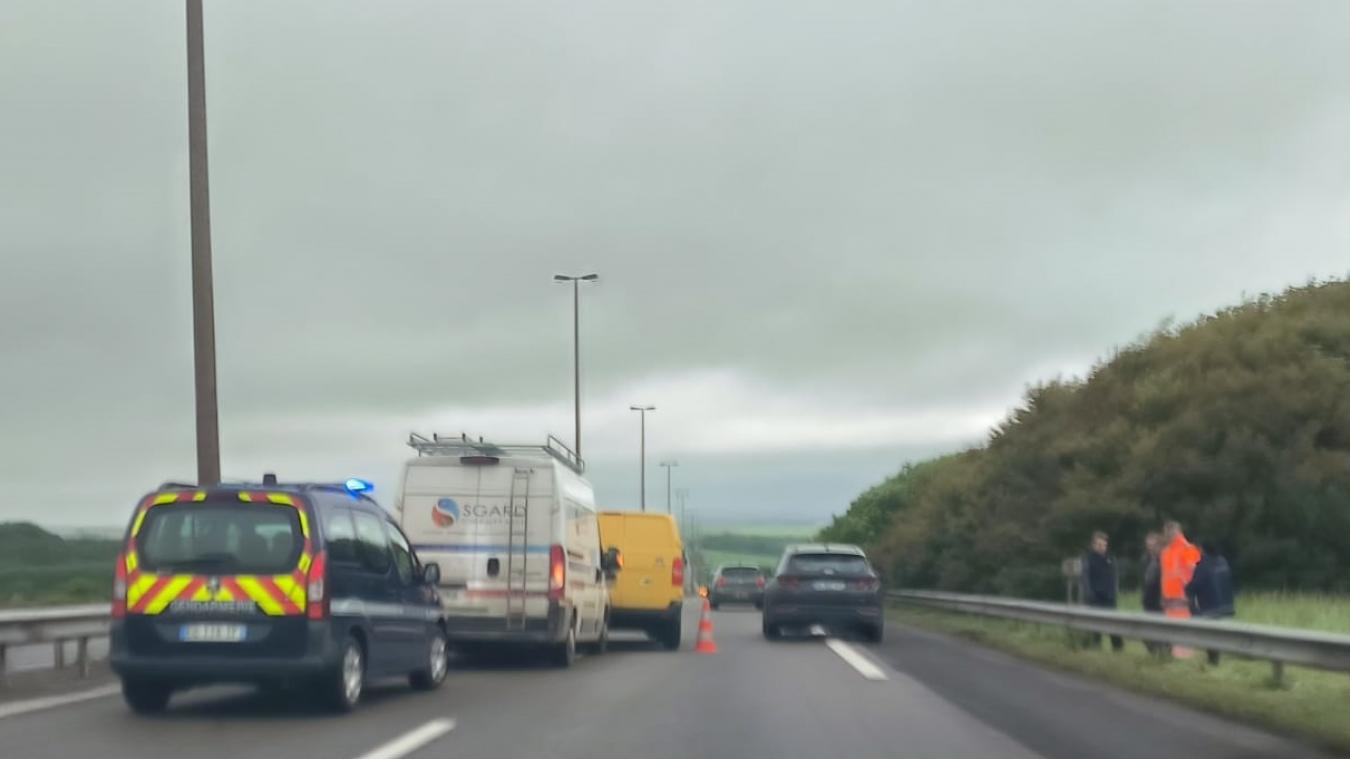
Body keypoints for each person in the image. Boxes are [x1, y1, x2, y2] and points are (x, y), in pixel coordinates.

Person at [1187, 542, 1235, 665]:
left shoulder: (1203, 565)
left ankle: (1213, 661)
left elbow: (1195, 585)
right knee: (1217, 635)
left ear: (1202, 550)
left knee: (1209, 635)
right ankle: (1215, 660)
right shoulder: (1222, 561)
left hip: (1210, 606)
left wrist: (1187, 588)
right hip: (1226, 605)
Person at [1160, 520, 1201, 658]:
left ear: (1177, 532)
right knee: (1173, 632)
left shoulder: (1188, 549)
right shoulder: (1166, 552)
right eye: (1166, 533)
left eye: (1170, 532)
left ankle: (1185, 658)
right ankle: (1176, 657)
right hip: (1169, 599)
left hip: (1183, 599)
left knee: (1184, 632)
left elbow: (1196, 573)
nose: (1168, 536)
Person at [1081, 531, 1124, 651]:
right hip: (1095, 598)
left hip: (1109, 598)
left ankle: (1118, 648)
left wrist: (1115, 593)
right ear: (1093, 545)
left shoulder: (1110, 558)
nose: (1102, 547)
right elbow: (1085, 578)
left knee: (1114, 626)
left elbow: (1115, 577)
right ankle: (1096, 647)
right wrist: (1089, 594)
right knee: (1096, 627)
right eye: (1099, 545)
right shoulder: (1089, 559)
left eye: (1104, 545)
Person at [1140, 531, 1165, 655]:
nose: (1150, 548)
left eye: (1153, 545)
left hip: (1160, 602)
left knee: (1162, 632)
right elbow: (1145, 581)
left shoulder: (1165, 559)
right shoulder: (1146, 559)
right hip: (1148, 601)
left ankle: (1163, 654)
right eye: (1148, 545)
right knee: (1146, 632)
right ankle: (1154, 653)